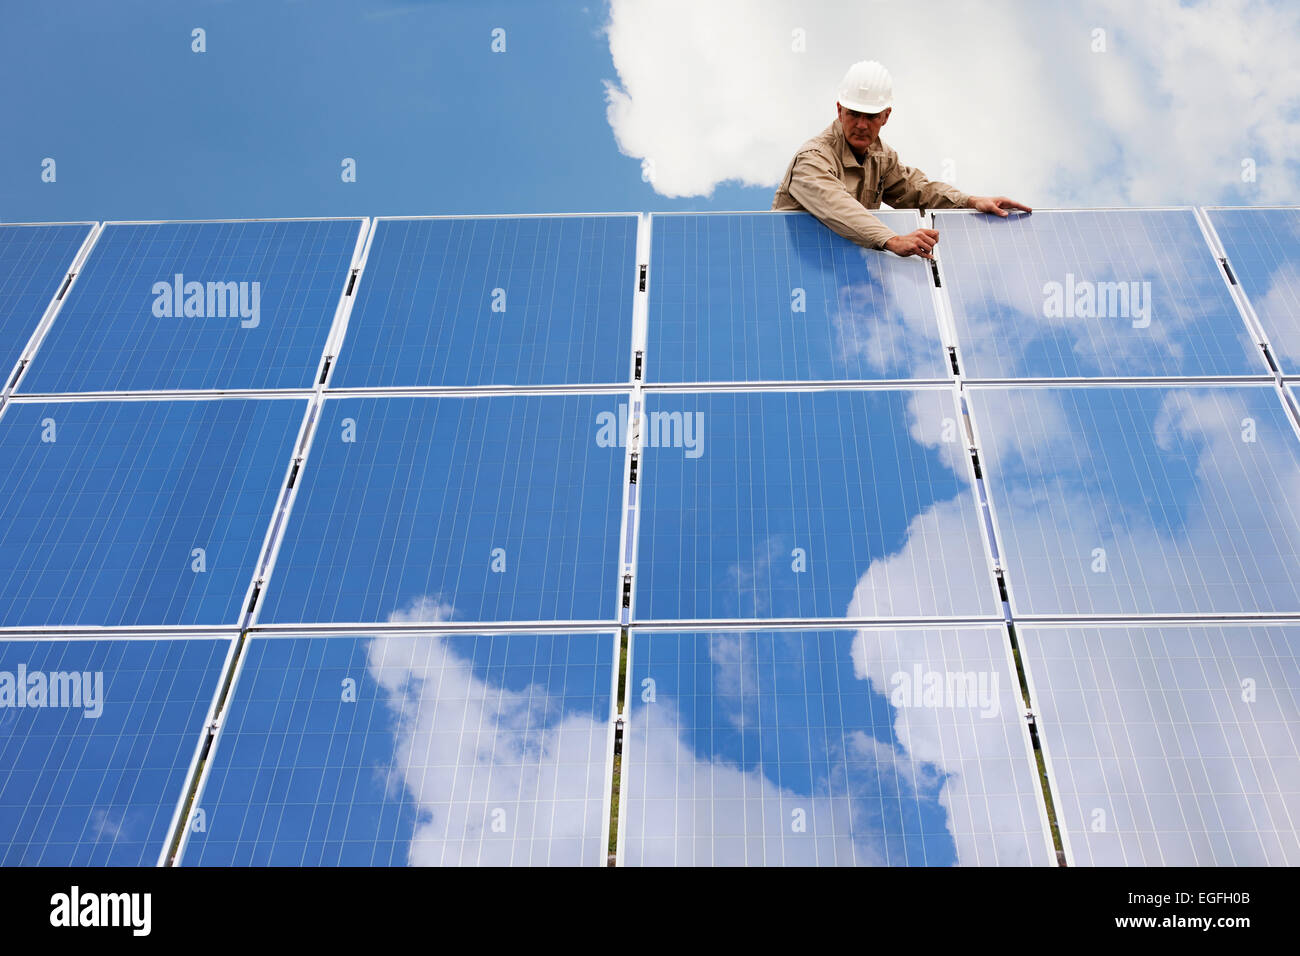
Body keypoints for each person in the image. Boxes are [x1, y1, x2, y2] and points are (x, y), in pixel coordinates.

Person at [772, 60, 1031, 259]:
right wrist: (892, 239)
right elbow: (838, 206)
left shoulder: (882, 157)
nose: (862, 125)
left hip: (840, 275)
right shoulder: (812, 160)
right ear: (839, 110)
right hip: (795, 271)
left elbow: (918, 191)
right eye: (854, 114)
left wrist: (972, 201)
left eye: (871, 116)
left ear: (886, 116)